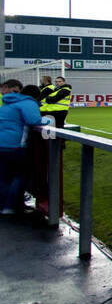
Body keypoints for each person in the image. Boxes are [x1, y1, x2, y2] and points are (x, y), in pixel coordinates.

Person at [0, 79, 49, 215]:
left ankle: (3, 205)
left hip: (2, 144)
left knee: (4, 176)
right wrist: (48, 120)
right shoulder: (27, 103)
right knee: (21, 175)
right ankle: (11, 206)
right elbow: (33, 120)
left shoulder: (7, 103)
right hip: (14, 145)